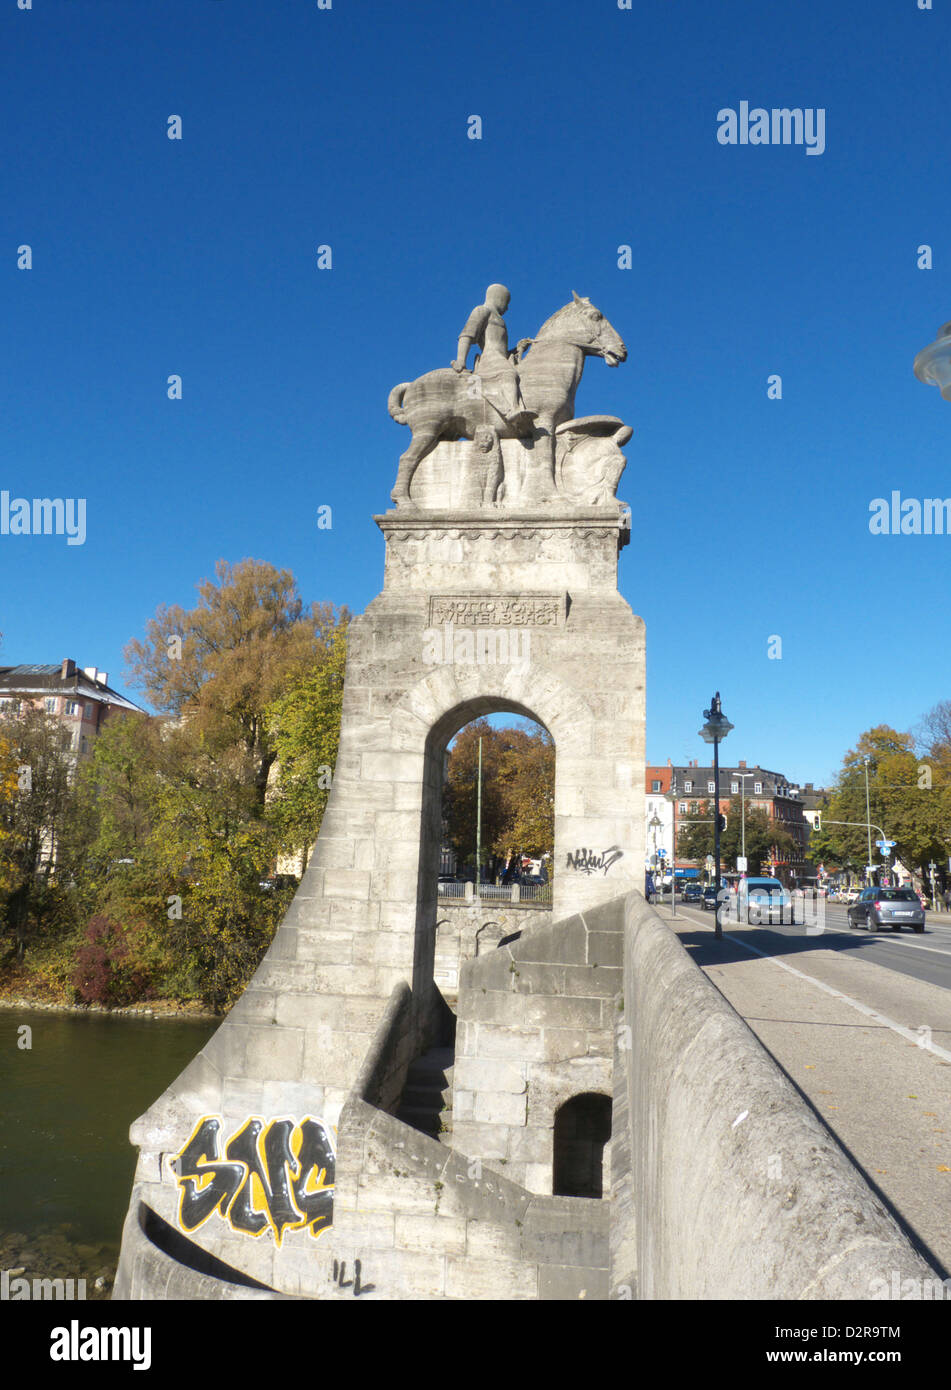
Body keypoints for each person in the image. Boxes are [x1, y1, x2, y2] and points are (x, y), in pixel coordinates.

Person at [451, 284, 536, 432]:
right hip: (489, 359)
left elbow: (502, 351)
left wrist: (518, 349)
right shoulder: (482, 310)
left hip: (500, 358)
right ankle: (511, 411)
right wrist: (461, 361)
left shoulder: (499, 319)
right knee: (509, 374)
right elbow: (466, 336)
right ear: (499, 297)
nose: (507, 308)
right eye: (506, 303)